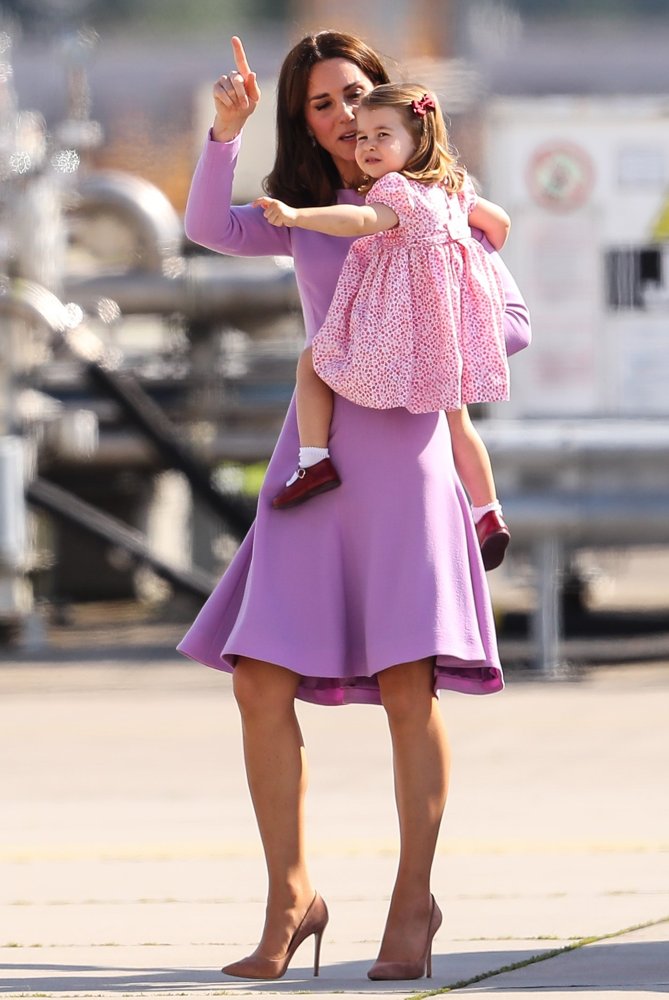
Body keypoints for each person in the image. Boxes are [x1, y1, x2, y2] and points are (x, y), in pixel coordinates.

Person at [178, 31, 531, 983]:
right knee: (257, 679)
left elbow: (509, 320)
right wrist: (224, 131)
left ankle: (413, 902)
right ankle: (292, 899)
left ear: (397, 104)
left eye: (356, 95)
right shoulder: (306, 215)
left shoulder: (436, 204)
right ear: (303, 120)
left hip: (409, 459)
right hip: (315, 463)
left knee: (407, 692)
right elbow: (209, 227)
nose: (342, 117)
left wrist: (436, 312)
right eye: (322, 104)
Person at [256, 83, 512, 570]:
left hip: (398, 326)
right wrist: (470, 251)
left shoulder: (396, 190)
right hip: (446, 329)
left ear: (418, 140)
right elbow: (499, 223)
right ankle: (488, 512)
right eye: (363, 137)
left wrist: (296, 215)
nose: (367, 146)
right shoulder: (452, 187)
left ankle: (312, 462)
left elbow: (357, 219)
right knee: (457, 422)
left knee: (314, 362)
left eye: (382, 135)